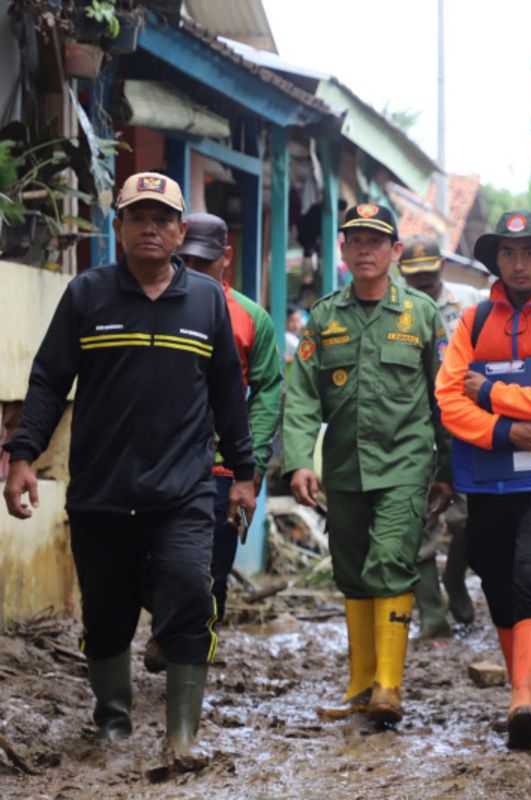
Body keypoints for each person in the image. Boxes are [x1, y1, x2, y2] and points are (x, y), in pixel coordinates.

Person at [2, 173, 256, 756]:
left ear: (180, 231)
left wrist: (243, 474)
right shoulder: (87, 295)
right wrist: (21, 457)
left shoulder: (206, 301)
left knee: (192, 592)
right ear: (118, 227)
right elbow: (47, 382)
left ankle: (182, 736)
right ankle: (113, 724)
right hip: (102, 490)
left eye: (163, 219)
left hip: (184, 491)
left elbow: (227, 396)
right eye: (138, 217)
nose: (150, 227)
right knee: (108, 610)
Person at [282, 203, 453, 723]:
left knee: (390, 563)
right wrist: (298, 462)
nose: (364, 250)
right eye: (354, 241)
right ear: (342, 250)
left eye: (375, 242)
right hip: (344, 465)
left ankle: (389, 689)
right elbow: (304, 395)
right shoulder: (324, 318)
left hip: (404, 461)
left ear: (395, 252)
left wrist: (445, 468)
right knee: (352, 571)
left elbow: (443, 396)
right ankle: (360, 688)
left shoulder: (420, 315)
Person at [434, 211, 531, 749]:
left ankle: (522, 695)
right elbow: (448, 398)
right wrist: (506, 433)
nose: (519, 264)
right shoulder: (472, 323)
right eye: (509, 254)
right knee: (494, 578)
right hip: (486, 486)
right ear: (497, 260)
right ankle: (527, 692)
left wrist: (491, 395)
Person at [176, 212, 284, 624]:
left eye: (205, 263)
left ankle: (188, 663)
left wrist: (251, 465)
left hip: (221, 467)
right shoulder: (157, 305)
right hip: (161, 460)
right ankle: (174, 632)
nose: (195, 272)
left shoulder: (250, 318)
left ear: (227, 257)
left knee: (211, 571)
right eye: (186, 262)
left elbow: (267, 390)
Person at [400, 235, 487, 634]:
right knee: (417, 522)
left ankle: (456, 578)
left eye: (429, 275)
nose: (422, 283)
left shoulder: (470, 301)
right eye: (413, 276)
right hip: (414, 427)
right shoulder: (395, 306)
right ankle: (433, 614)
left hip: (466, 424)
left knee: (470, 517)